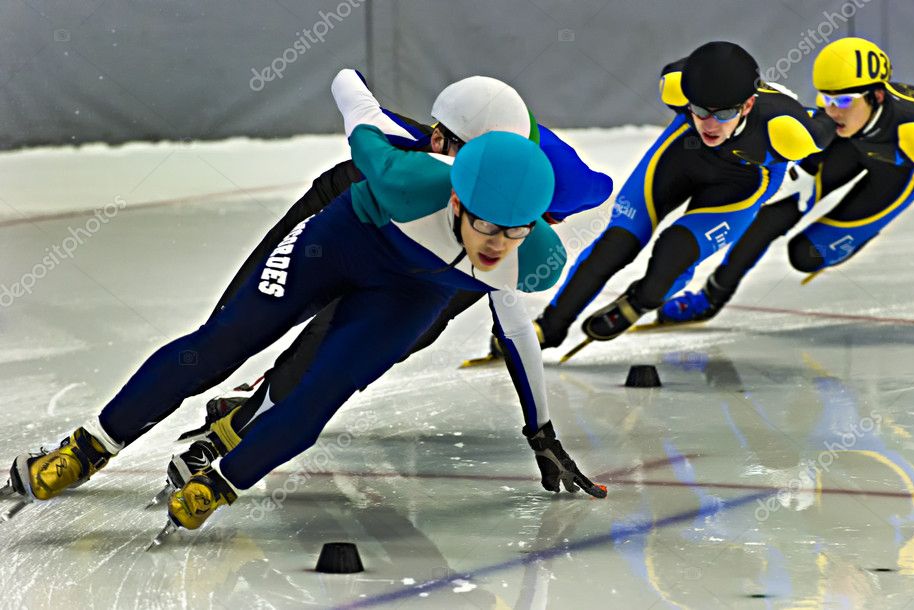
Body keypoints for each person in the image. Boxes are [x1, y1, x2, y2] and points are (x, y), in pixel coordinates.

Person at [2, 73, 606, 534]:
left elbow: (514, 320)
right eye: (487, 224)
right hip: (346, 234)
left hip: (420, 284)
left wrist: (541, 431)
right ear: (451, 170)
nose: (499, 243)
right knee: (224, 341)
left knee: (319, 389)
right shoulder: (409, 172)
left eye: (516, 230)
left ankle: (224, 469)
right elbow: (355, 101)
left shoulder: (533, 243)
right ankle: (86, 447)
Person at [150, 70, 611, 504]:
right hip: (358, 202)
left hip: (436, 253)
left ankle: (242, 422)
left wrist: (541, 431)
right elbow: (350, 86)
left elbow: (512, 324)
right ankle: (226, 399)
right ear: (437, 139)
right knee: (236, 325)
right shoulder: (414, 151)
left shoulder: (529, 203)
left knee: (377, 338)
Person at [660, 37, 914, 348]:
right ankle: (711, 297)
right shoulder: (840, 114)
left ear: (876, 96)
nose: (832, 110)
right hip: (850, 144)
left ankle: (858, 235)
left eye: (844, 101)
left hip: (899, 168)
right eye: (826, 98)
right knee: (774, 213)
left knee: (804, 255)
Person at [527, 41, 834, 352]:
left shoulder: (790, 133)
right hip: (683, 156)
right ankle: (549, 326)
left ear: (748, 106)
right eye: (699, 110)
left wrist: (827, 108)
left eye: (724, 113)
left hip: (743, 182)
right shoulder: (676, 86)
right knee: (616, 243)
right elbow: (688, 71)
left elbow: (829, 124)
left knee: (674, 252)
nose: (710, 124)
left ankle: (642, 300)